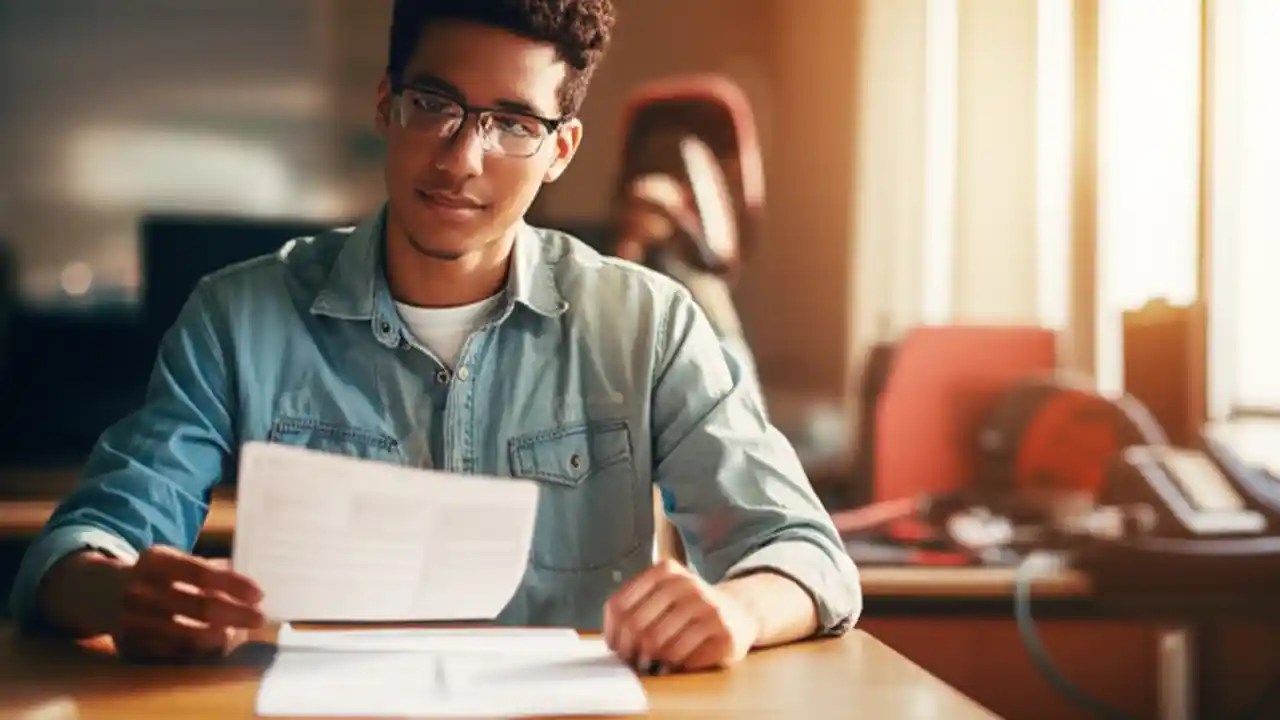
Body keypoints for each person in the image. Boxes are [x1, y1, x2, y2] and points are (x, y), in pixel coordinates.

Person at [11, 0, 861, 673]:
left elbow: (806, 553)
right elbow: (72, 550)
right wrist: (113, 593)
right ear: (387, 102)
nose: (462, 159)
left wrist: (739, 611)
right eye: (436, 105)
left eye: (513, 124)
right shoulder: (237, 318)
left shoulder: (650, 323)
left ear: (561, 149)